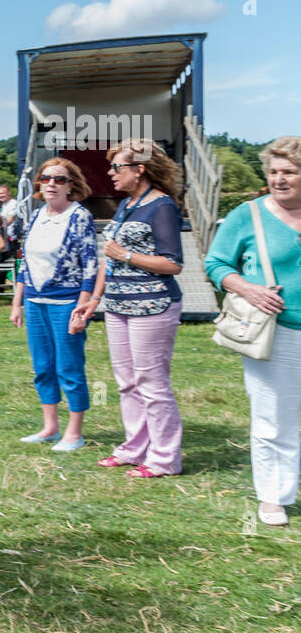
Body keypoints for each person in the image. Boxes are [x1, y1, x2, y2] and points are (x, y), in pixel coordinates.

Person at [74, 139, 185, 479]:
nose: (110, 173)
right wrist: (94, 300)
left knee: (151, 383)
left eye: (116, 167)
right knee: (126, 383)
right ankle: (135, 448)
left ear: (139, 170)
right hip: (118, 306)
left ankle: (165, 459)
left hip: (153, 306)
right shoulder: (127, 205)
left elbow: (172, 263)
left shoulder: (162, 206)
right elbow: (110, 257)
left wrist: (126, 255)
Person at [204, 136, 301, 526]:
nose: (279, 179)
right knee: (273, 415)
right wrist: (247, 287)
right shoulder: (249, 215)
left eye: (289, 172)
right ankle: (274, 496)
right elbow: (215, 263)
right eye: (273, 172)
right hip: (275, 332)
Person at [10, 158, 96, 452]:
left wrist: (82, 308)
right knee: (43, 367)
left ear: (71, 184)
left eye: (59, 179)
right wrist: (16, 303)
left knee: (69, 367)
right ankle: (50, 427)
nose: (50, 184)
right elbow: (24, 263)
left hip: (66, 303)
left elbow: (90, 267)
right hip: (35, 303)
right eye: (45, 178)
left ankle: (74, 432)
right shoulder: (35, 216)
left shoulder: (79, 216)